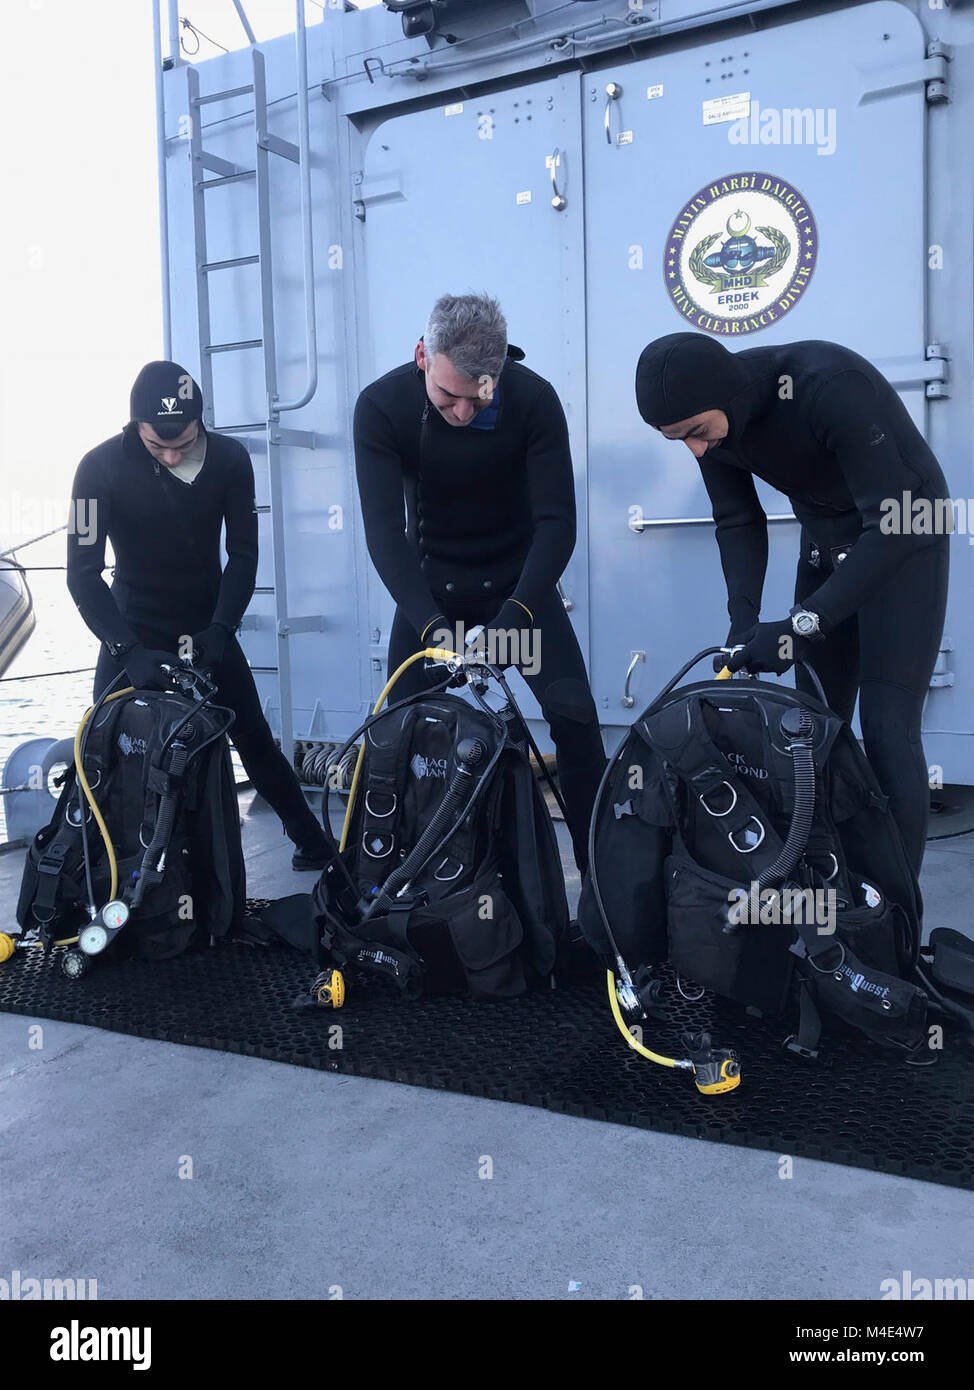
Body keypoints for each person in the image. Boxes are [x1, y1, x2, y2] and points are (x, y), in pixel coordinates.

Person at [634, 331, 951, 872]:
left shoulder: (827, 383)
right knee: (814, 722)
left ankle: (898, 915)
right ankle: (836, 885)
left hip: (904, 533)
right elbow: (737, 519)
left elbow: (891, 526)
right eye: (676, 440)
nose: (694, 449)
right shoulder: (712, 425)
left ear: (724, 398)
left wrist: (802, 626)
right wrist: (744, 621)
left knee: (886, 726)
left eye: (694, 433)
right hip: (826, 537)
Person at [353, 293, 605, 870]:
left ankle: (599, 877)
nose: (463, 412)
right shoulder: (382, 407)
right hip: (431, 596)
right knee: (396, 735)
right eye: (447, 397)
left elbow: (556, 525)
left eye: (479, 396)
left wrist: (515, 616)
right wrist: (433, 626)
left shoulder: (533, 398)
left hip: (518, 597)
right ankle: (397, 876)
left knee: (576, 722)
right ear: (423, 356)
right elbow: (385, 534)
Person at [66, 360, 332, 871]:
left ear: (201, 424)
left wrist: (222, 628)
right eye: (155, 445)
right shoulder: (95, 469)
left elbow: (244, 555)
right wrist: (126, 649)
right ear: (134, 425)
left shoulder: (231, 459)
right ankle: (93, 864)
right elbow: (82, 574)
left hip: (206, 627)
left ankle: (312, 842)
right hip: (131, 631)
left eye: (183, 445)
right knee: (102, 749)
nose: (170, 455)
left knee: (252, 737)